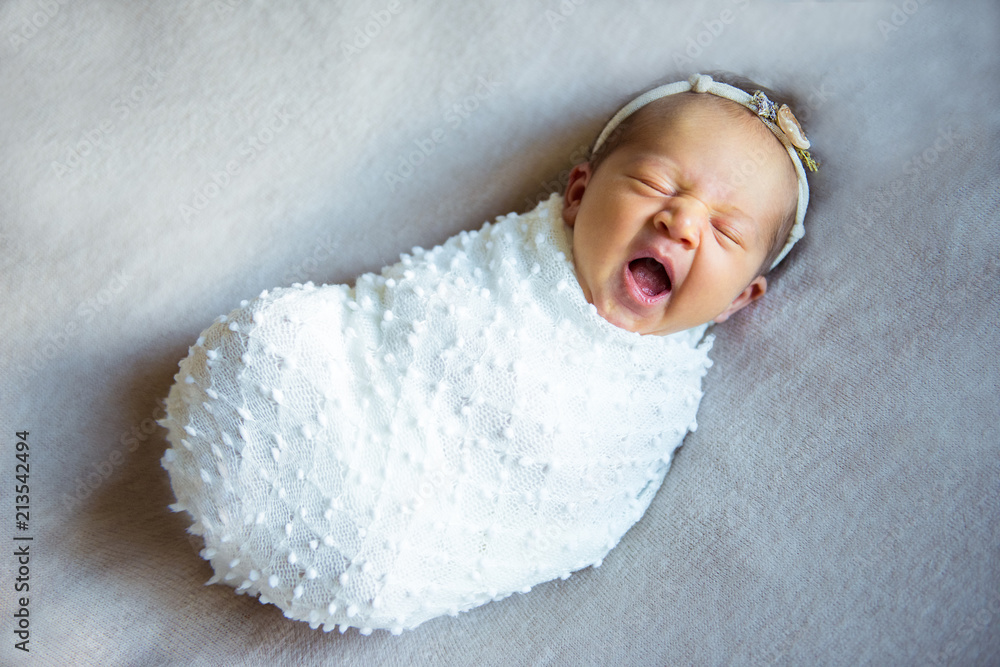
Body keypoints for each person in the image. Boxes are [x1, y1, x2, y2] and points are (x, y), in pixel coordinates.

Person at [160, 73, 817, 634]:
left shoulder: (654, 396)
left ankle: (351, 554)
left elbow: (587, 509)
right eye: (655, 182)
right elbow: (418, 311)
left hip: (395, 538)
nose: (682, 221)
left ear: (739, 299)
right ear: (580, 194)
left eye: (726, 230)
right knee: (272, 341)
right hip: (337, 394)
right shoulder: (512, 263)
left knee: (368, 556)